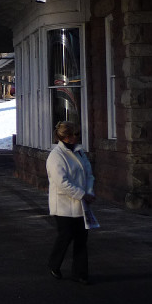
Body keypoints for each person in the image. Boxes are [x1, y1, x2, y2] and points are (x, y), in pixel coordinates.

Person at [47, 121, 97, 284]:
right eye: (75, 134)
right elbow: (62, 182)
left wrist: (89, 192)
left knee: (82, 238)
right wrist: (82, 194)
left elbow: (89, 173)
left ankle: (80, 273)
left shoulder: (79, 152)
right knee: (66, 236)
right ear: (66, 137)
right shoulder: (56, 156)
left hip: (81, 204)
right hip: (63, 205)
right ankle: (54, 264)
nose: (78, 137)